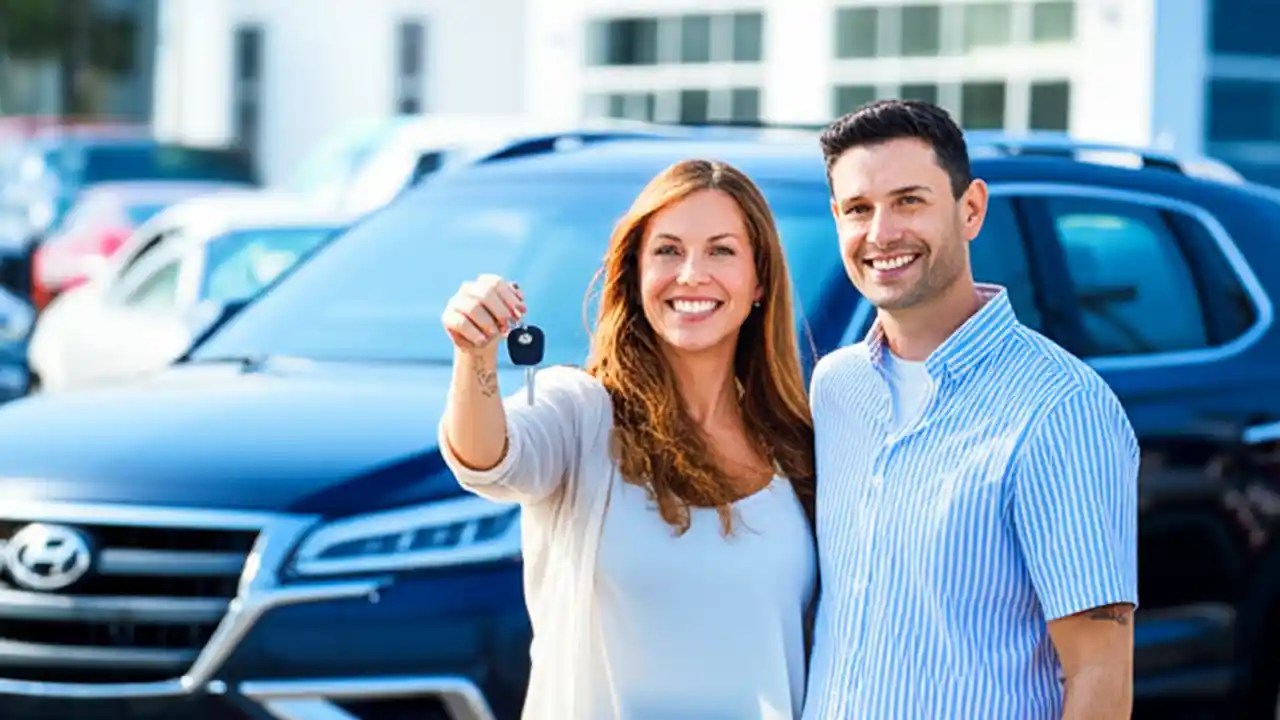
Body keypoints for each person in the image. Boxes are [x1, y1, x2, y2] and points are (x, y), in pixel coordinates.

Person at [437, 158, 818, 719]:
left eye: (721, 250)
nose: (691, 273)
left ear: (759, 280)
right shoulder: (582, 412)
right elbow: (487, 460)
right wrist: (474, 356)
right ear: (635, 274)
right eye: (667, 250)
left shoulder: (797, 443)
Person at [802, 99, 1139, 719]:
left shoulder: (1060, 407)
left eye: (910, 201)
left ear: (971, 209)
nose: (881, 234)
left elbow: (1099, 671)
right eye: (858, 209)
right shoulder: (835, 388)